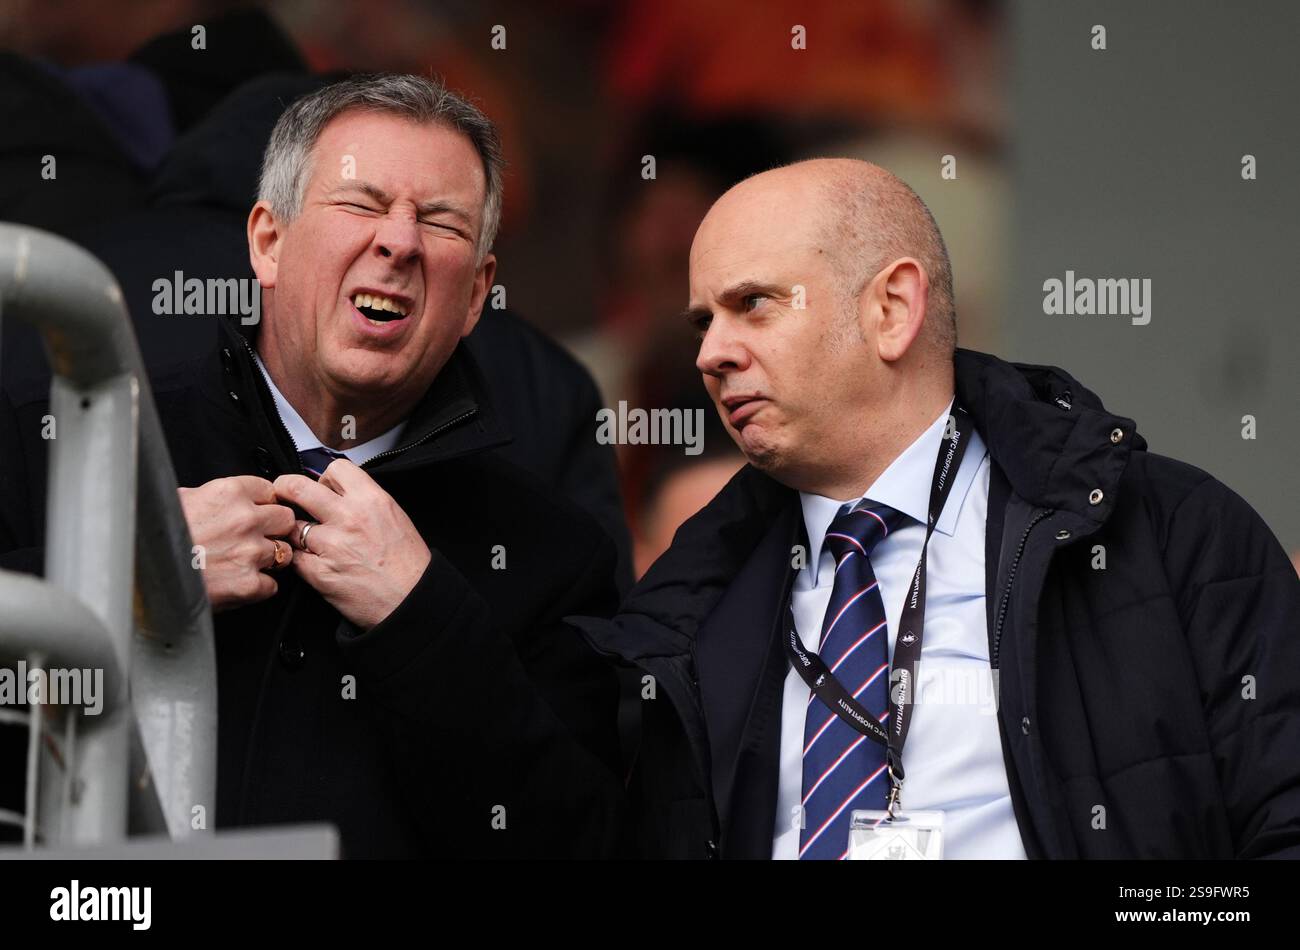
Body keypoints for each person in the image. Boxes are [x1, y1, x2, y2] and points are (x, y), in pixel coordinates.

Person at [571, 157, 1300, 859]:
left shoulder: (1171, 536)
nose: (712, 354)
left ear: (892, 308)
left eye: (753, 304)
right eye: (704, 322)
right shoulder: (688, 605)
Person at [0, 73, 625, 858]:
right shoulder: (59, 444)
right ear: (269, 241)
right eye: (361, 204)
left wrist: (424, 617)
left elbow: (584, 842)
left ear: (477, 295)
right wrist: (122, 576)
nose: (398, 242)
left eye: (440, 221)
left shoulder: (549, 553)